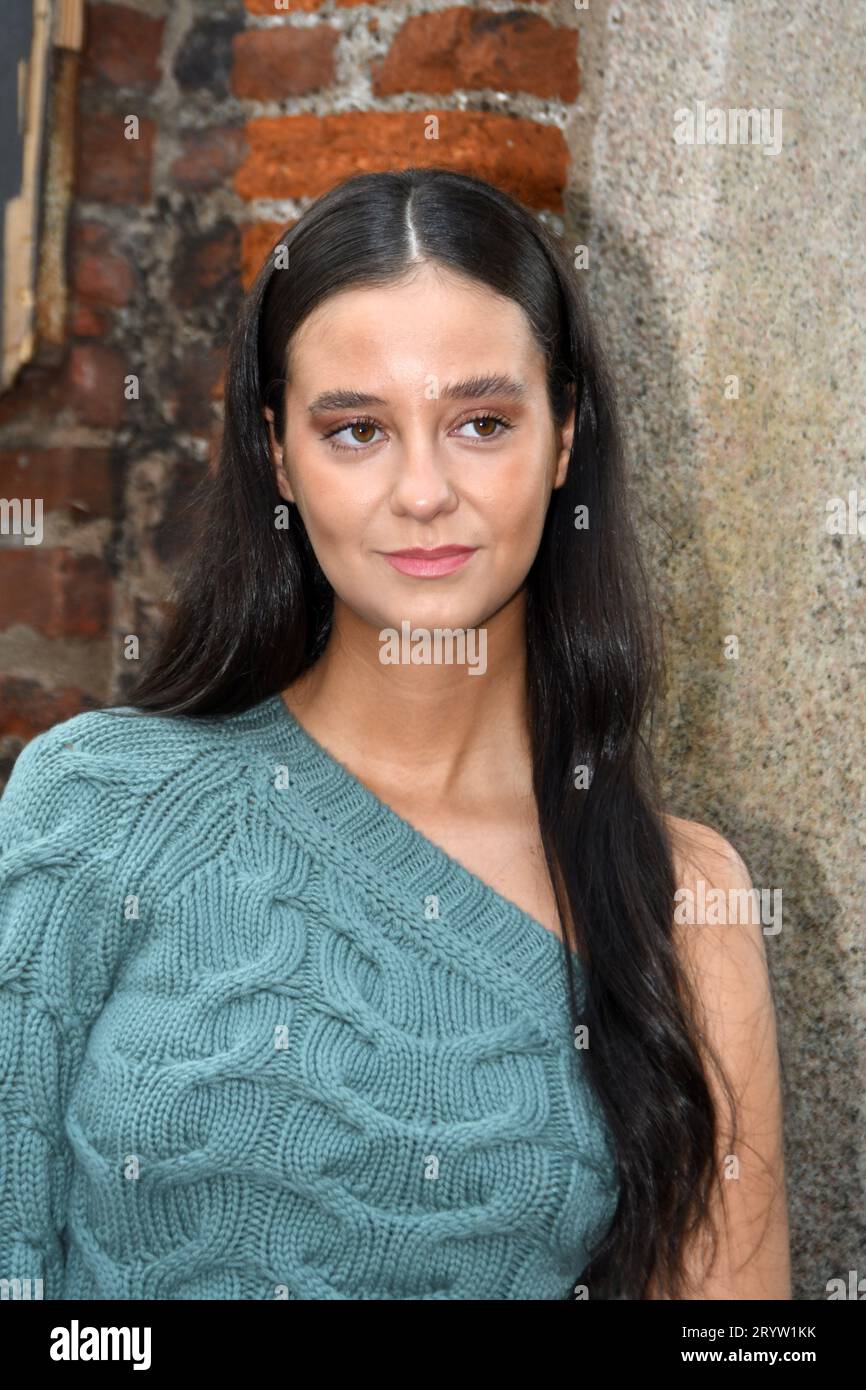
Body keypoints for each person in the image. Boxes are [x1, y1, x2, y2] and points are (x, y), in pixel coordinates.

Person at [0, 166, 789, 1300]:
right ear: (278, 455)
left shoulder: (682, 900)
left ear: (562, 438)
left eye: (479, 422)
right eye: (357, 429)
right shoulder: (98, 804)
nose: (423, 490)